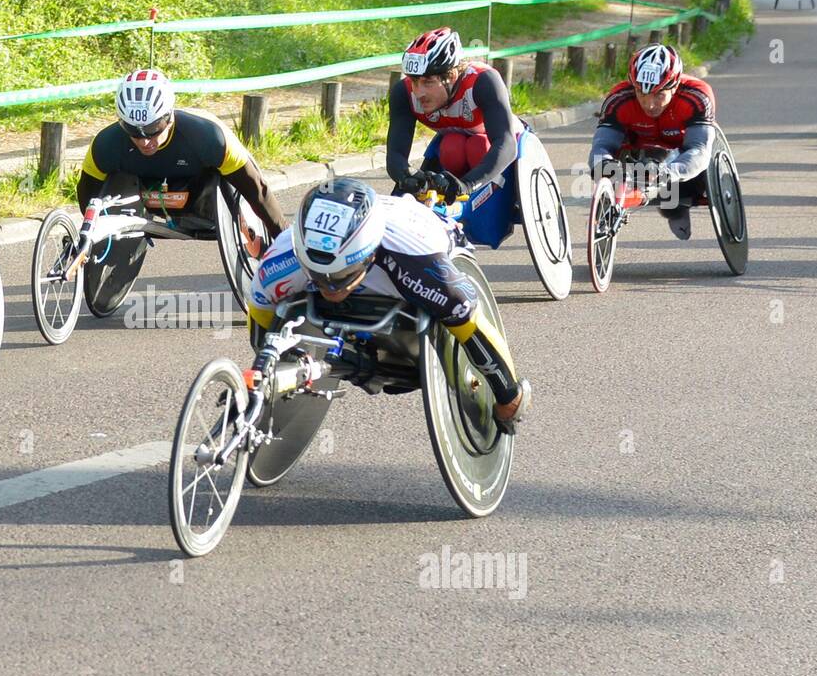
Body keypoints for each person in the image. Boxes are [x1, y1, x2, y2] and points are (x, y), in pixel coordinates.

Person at [247, 177, 532, 432]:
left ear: (369, 255)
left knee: (452, 316)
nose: (330, 287)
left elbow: (472, 324)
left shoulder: (419, 265)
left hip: (419, 239)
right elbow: (260, 313)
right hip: (374, 251)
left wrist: (508, 395)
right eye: (318, 276)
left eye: (341, 275)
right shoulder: (281, 259)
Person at [76, 68, 288, 244]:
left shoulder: (210, 139)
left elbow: (257, 191)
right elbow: (88, 195)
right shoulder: (105, 145)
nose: (144, 141)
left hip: (200, 189)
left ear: (169, 118)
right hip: (146, 189)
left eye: (153, 129)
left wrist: (285, 239)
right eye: (133, 132)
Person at [386, 27, 522, 214]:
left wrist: (466, 185)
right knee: (452, 148)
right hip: (452, 145)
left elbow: (507, 145)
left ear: (451, 76)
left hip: (499, 145)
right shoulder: (403, 93)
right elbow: (395, 155)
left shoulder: (483, 82)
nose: (418, 92)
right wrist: (409, 177)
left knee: (477, 146)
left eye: (427, 82)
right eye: (414, 81)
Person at [587, 44, 717, 240]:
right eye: (641, 93)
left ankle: (675, 209)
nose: (649, 104)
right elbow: (601, 146)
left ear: (674, 87)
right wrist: (604, 164)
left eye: (659, 95)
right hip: (636, 155)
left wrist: (669, 173)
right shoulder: (618, 99)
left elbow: (699, 150)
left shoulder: (696, 96)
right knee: (608, 167)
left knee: (672, 198)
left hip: (681, 159)